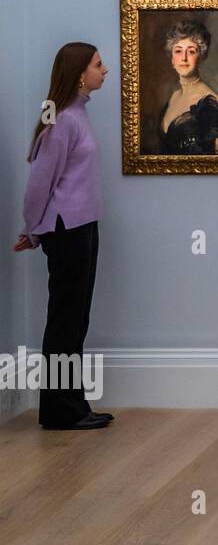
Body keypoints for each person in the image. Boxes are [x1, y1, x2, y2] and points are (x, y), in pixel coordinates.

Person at [13, 42, 114, 430]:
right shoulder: (61, 122)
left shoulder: (76, 115)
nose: (104, 71)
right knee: (65, 321)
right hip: (65, 231)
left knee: (75, 319)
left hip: (82, 227)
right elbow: (39, 184)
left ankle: (72, 406)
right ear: (79, 75)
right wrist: (31, 230)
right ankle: (60, 412)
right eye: (98, 65)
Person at [156, 19, 218, 155]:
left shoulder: (211, 103)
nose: (184, 58)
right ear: (172, 59)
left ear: (201, 56)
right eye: (178, 51)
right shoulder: (174, 96)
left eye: (191, 51)